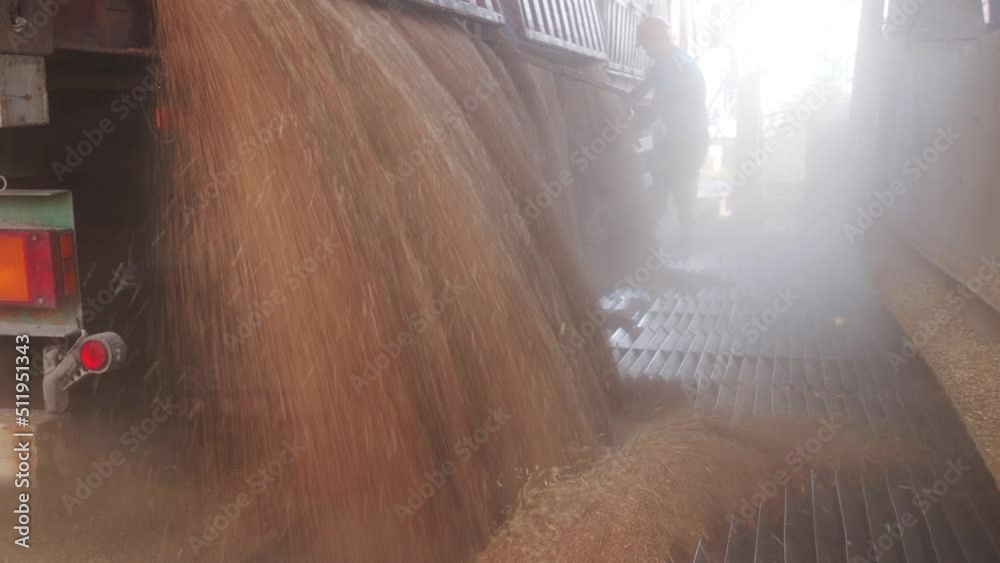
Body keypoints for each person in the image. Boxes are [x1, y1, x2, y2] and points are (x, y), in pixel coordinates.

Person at [628, 16, 710, 246]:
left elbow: (658, 106)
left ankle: (675, 246)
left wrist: (630, 130)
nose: (646, 52)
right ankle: (662, 244)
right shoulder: (671, 61)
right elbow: (645, 88)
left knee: (675, 189)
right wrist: (630, 95)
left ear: (657, 40)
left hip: (687, 140)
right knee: (665, 184)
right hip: (682, 138)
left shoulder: (671, 66)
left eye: (646, 46)